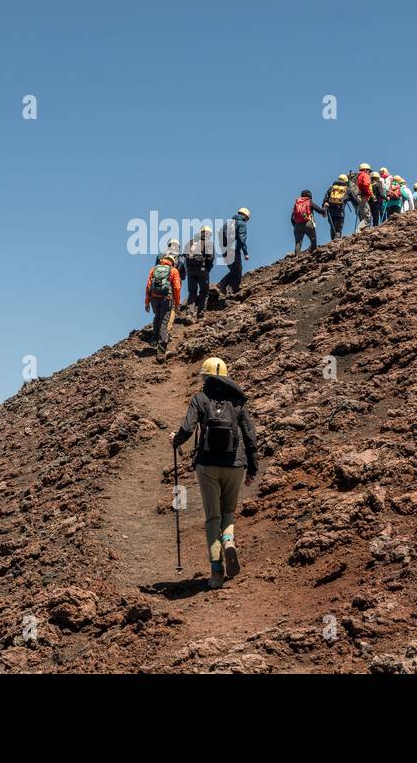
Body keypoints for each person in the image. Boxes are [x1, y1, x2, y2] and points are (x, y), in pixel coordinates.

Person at [172, 356, 259, 589]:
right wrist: (253, 468)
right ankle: (229, 542)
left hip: (207, 464)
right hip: (235, 464)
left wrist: (176, 441)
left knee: (213, 517)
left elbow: (188, 428)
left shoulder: (200, 399)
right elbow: (250, 436)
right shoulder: (237, 401)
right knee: (228, 511)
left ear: (205, 377)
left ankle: (217, 572)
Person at [144, 253, 181, 360]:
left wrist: (147, 302)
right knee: (164, 322)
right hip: (166, 299)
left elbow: (148, 286)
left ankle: (154, 341)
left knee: (156, 317)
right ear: (173, 262)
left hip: (154, 298)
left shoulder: (154, 269)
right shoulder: (173, 270)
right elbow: (177, 288)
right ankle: (160, 351)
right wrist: (177, 303)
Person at [216, 208, 250, 296]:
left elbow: (220, 236)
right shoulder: (241, 224)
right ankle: (229, 288)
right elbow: (241, 239)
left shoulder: (227, 224)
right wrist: (245, 253)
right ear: (245, 216)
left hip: (224, 251)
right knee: (238, 271)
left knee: (234, 270)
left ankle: (224, 285)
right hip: (233, 250)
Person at [182, 226, 215, 319]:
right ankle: (201, 313)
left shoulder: (191, 242)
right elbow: (211, 258)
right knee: (204, 291)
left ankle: (189, 313)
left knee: (192, 292)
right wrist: (207, 269)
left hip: (190, 270)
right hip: (202, 270)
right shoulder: (208, 243)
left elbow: (184, 255)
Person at [290, 189, 328, 253]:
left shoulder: (297, 203)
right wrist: (325, 207)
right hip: (308, 223)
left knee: (298, 243)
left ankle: (297, 257)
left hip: (298, 225)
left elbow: (292, 218)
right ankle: (313, 256)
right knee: (313, 241)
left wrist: (296, 226)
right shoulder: (309, 201)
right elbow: (321, 211)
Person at [323, 174, 349, 240]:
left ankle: (332, 241)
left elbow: (325, 200)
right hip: (340, 212)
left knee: (332, 227)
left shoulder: (331, 188)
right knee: (338, 228)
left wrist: (324, 210)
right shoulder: (346, 189)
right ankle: (337, 241)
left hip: (331, 212)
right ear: (345, 182)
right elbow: (354, 199)